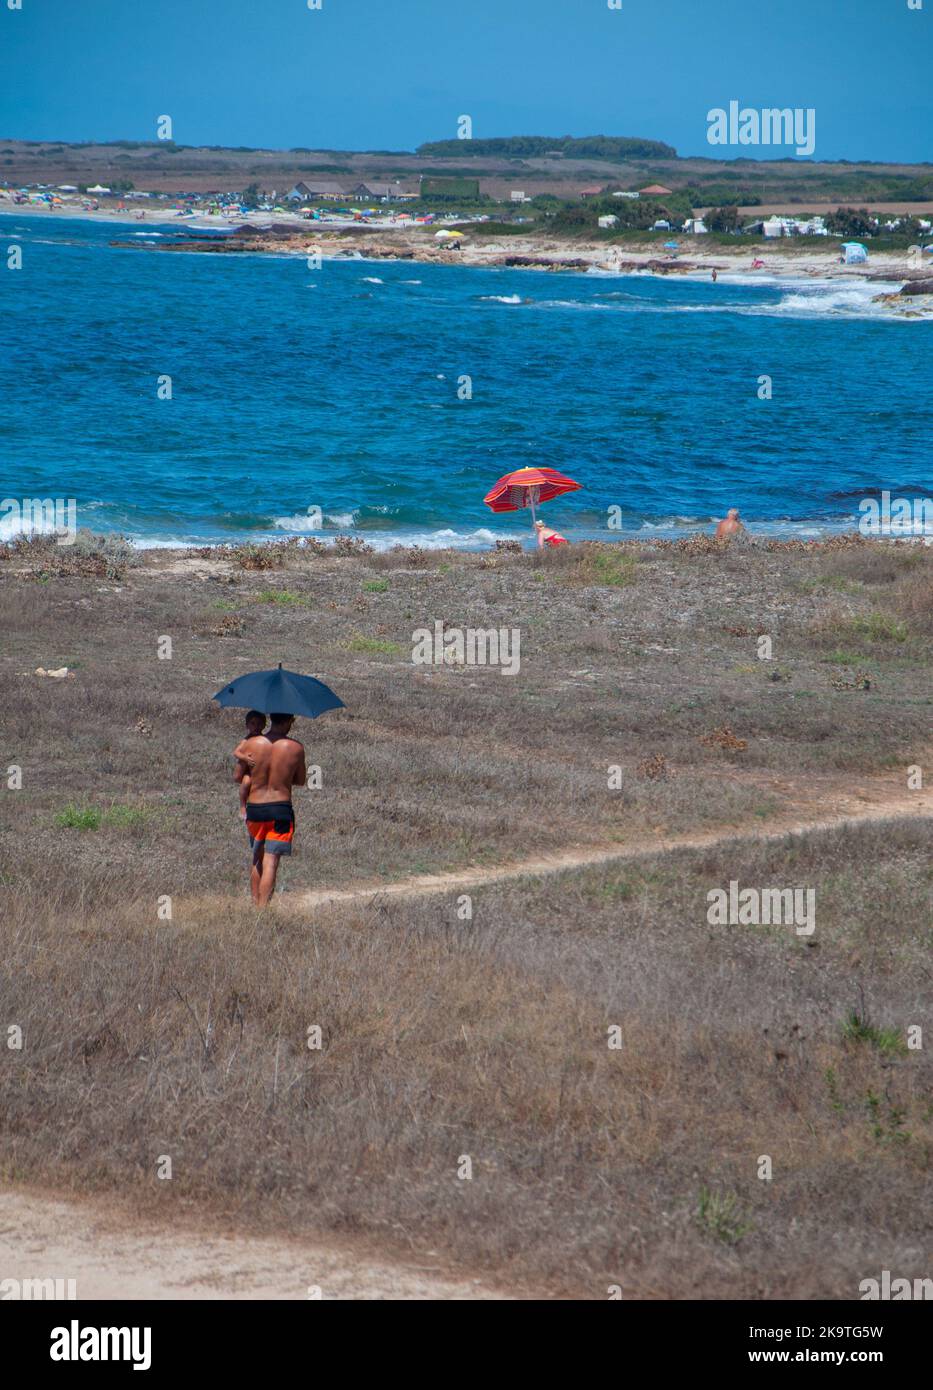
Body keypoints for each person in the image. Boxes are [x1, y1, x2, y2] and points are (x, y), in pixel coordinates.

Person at [233, 713, 306, 907]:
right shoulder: (296, 748)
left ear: (270, 720)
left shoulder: (251, 743)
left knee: (257, 858)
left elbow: (237, 776)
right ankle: (262, 912)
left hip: (255, 809)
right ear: (289, 721)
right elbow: (300, 781)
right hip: (280, 810)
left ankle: (255, 902)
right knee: (271, 861)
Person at [234, 710, 267, 819]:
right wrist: (245, 758)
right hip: (248, 771)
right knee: (246, 782)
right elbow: (236, 752)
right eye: (253, 723)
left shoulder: (264, 739)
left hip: (259, 770)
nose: (256, 726)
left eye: (259, 723)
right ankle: (243, 806)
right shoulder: (246, 740)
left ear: (264, 725)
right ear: (247, 725)